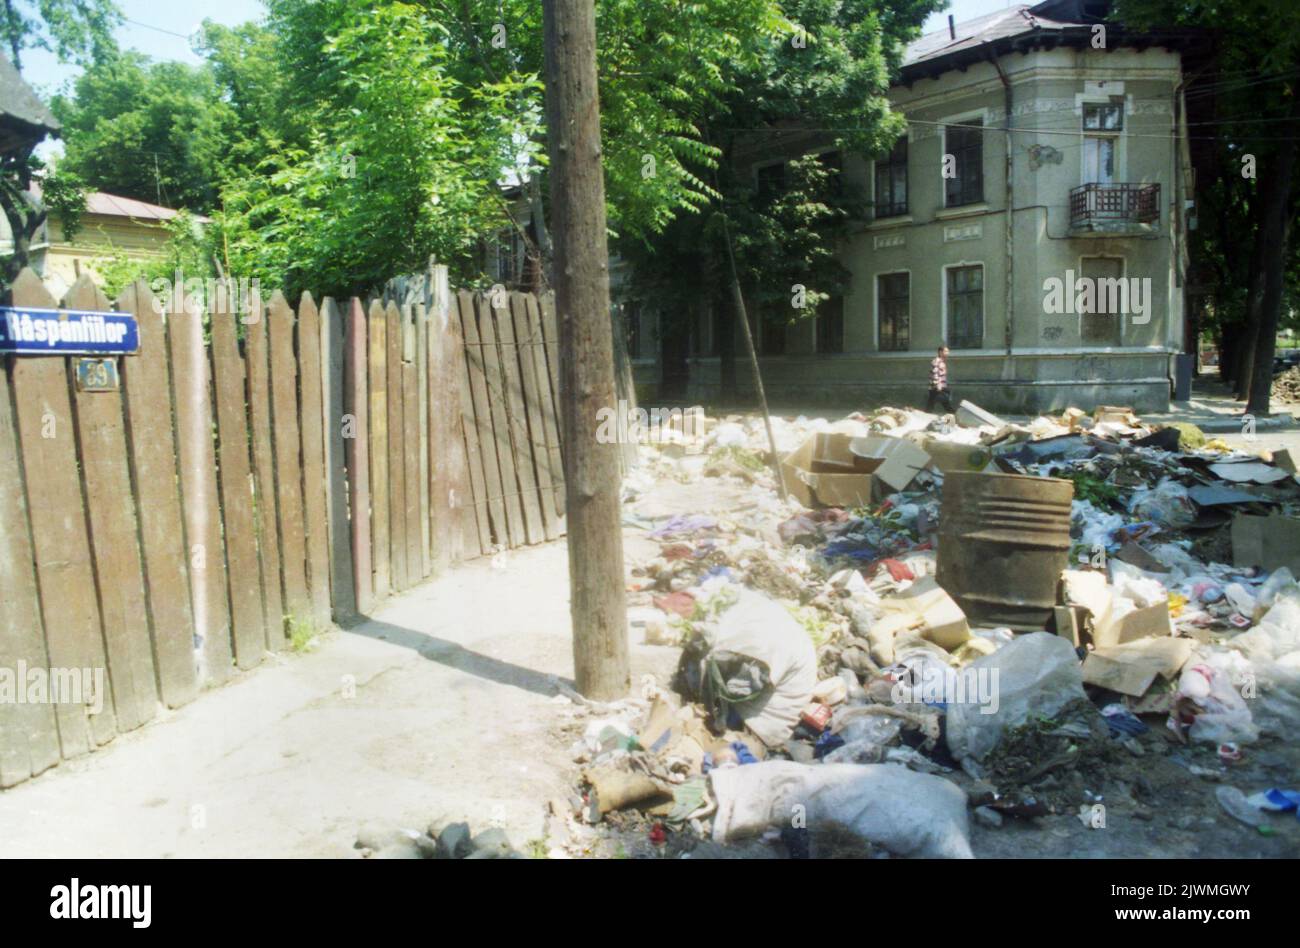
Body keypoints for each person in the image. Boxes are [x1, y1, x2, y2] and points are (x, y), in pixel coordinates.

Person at [926, 344, 954, 414]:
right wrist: (938, 385)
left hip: (939, 387)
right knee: (941, 403)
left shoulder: (941, 361)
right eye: (946, 351)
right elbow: (935, 373)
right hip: (936, 387)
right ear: (940, 352)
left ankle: (925, 415)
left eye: (948, 351)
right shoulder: (937, 361)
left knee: (932, 404)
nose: (948, 353)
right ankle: (953, 414)